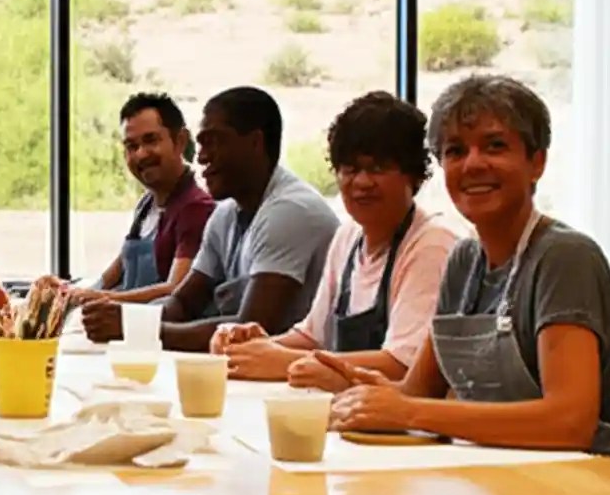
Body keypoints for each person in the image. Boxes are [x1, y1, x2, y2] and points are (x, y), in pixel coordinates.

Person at [325, 75, 610, 457]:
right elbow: (418, 392)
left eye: (495, 146)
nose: (473, 164)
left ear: (537, 162)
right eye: (455, 151)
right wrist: (368, 391)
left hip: (593, 487)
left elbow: (569, 422)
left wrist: (412, 411)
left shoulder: (564, 258)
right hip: (503, 482)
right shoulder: (464, 261)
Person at [214, 92, 459, 389]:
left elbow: (401, 364)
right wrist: (251, 346)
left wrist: (284, 361)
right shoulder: (349, 236)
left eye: (378, 168)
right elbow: (312, 336)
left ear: (415, 176)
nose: (362, 182)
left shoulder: (431, 244)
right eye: (350, 169)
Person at [83, 86, 339, 349]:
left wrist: (135, 329)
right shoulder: (226, 213)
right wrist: (127, 320)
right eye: (131, 146)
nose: (201, 156)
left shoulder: (290, 211)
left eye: (213, 141)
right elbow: (183, 303)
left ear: (255, 142)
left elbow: (250, 329)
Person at [73, 92, 215, 304]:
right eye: (131, 146)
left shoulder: (196, 209)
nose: (141, 154)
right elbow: (122, 265)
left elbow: (177, 288)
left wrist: (103, 298)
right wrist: (78, 293)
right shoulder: (147, 204)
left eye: (151, 140)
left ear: (180, 141)